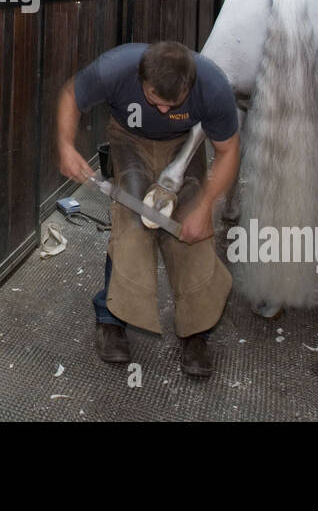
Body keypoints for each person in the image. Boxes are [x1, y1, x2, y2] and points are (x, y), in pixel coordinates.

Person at [56, 40, 240, 377]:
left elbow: (229, 151)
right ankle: (111, 319)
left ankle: (196, 332)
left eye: (174, 103)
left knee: (191, 234)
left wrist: (205, 207)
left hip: (184, 144)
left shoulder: (212, 85)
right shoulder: (116, 68)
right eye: (156, 101)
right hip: (130, 138)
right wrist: (66, 146)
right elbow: (71, 94)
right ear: (142, 80)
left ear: (189, 85)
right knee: (131, 227)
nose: (165, 111)